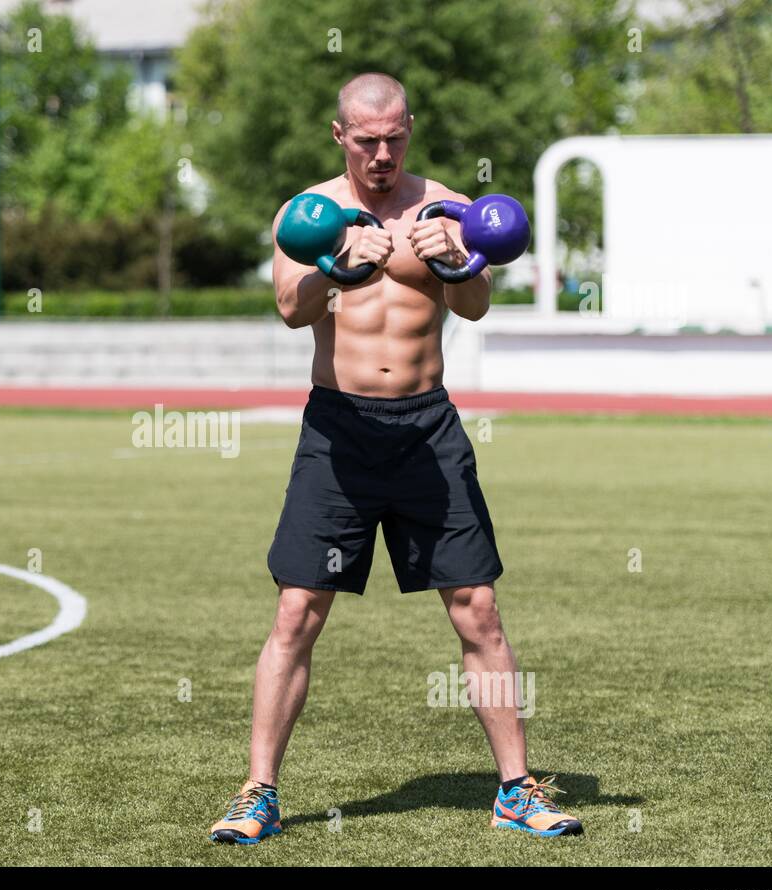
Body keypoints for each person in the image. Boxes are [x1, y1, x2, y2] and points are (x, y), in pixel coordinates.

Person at [209, 73, 582, 845]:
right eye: (367, 140)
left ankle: (515, 788)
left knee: (477, 608)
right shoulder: (308, 211)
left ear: (410, 128)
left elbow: (475, 306)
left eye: (396, 138)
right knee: (297, 611)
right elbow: (289, 309)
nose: (383, 154)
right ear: (339, 135)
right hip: (338, 435)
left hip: (426, 432)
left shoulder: (445, 206)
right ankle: (258, 793)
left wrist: (454, 260)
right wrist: (342, 263)